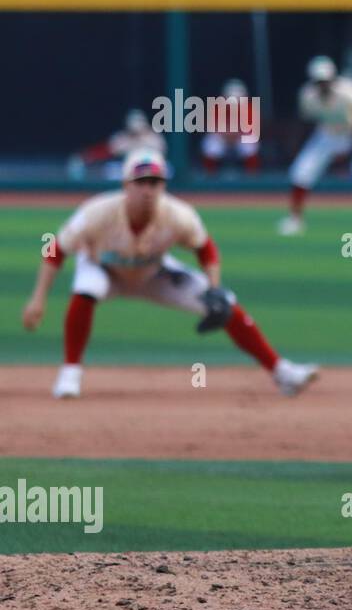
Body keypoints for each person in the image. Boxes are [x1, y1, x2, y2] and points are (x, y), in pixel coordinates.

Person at [22, 148, 319, 399]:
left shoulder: (179, 214)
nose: (148, 190)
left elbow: (206, 249)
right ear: (126, 185)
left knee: (227, 304)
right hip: (104, 268)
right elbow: (55, 249)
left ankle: (281, 372)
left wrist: (214, 288)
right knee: (87, 289)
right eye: (141, 182)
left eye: (155, 182)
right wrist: (38, 299)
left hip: (153, 273)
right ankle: (70, 373)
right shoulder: (97, 212)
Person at [279, 56, 352, 236]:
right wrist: (297, 144)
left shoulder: (348, 91)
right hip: (326, 134)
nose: (323, 85)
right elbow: (306, 120)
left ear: (333, 79)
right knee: (301, 171)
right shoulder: (308, 95)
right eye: (319, 81)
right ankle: (295, 220)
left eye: (326, 81)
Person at [67, 109, 166, 181]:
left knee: (167, 170)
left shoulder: (154, 138)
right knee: (111, 170)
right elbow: (106, 151)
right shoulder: (121, 138)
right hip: (128, 169)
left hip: (150, 168)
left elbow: (162, 155)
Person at [200, 79, 261, 176]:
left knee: (251, 142)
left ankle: (252, 175)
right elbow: (212, 128)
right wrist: (229, 134)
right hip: (223, 139)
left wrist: (233, 133)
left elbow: (250, 129)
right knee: (210, 144)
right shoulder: (218, 107)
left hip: (240, 139)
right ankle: (210, 175)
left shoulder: (249, 108)